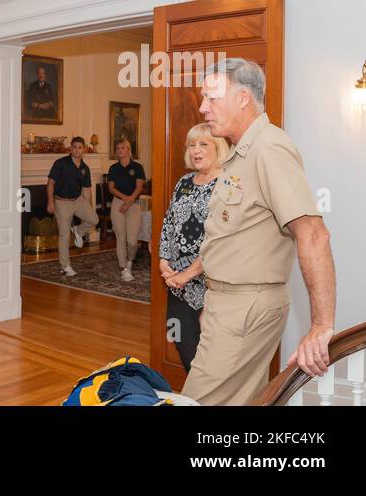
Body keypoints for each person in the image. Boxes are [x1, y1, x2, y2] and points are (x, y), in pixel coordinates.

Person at [183, 58, 337, 405]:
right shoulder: (242, 152)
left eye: (211, 98)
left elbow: (314, 233)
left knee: (196, 402)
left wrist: (321, 325)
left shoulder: (269, 148)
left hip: (245, 305)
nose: (203, 107)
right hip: (229, 301)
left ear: (241, 98)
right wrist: (216, 296)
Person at [158, 124, 227, 372]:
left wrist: (187, 274)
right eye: (192, 145)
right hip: (178, 284)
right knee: (181, 339)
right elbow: (169, 221)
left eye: (203, 144)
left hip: (211, 284)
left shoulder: (227, 184)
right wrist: (164, 261)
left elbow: (219, 239)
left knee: (212, 356)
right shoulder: (184, 181)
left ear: (218, 147)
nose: (196, 150)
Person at [46, 136, 98, 276]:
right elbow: (50, 183)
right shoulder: (60, 163)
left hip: (77, 200)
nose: (76, 150)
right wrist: (50, 202)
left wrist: (90, 209)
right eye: (74, 147)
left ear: (84, 150)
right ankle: (65, 266)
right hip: (61, 202)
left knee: (94, 219)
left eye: (79, 147)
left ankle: (78, 231)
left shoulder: (84, 168)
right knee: (64, 236)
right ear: (71, 148)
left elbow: (87, 190)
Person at [105, 138, 146, 281]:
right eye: (117, 148)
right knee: (120, 237)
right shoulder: (113, 168)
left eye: (123, 147)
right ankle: (124, 267)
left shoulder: (138, 167)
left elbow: (139, 187)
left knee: (133, 240)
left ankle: (130, 261)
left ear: (128, 150)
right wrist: (125, 199)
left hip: (133, 204)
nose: (120, 150)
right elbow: (111, 188)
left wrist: (129, 201)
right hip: (118, 203)